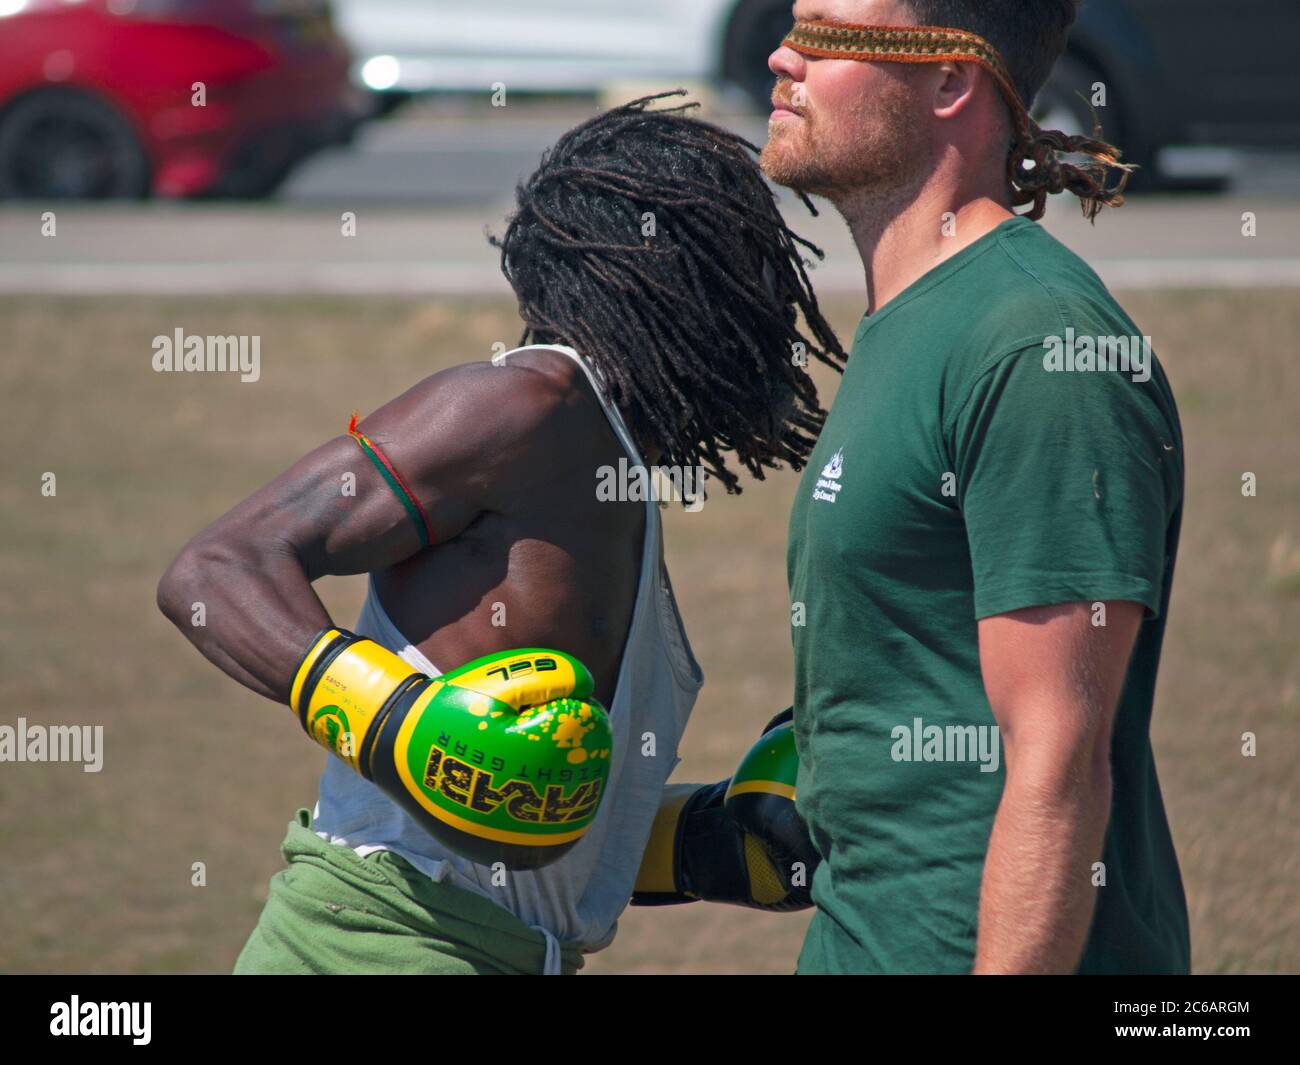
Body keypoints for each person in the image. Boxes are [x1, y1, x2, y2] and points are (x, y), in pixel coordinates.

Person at [156, 94, 843, 975]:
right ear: (685, 278)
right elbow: (215, 568)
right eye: (746, 270)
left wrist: (709, 837)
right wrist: (391, 716)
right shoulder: (527, 407)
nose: (772, 310)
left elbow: (517, 822)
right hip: (373, 945)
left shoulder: (609, 458)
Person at [760, 0, 1190, 973]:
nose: (784, 55)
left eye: (827, 36)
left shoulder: (1038, 349)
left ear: (950, 81)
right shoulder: (912, 316)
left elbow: (1059, 763)